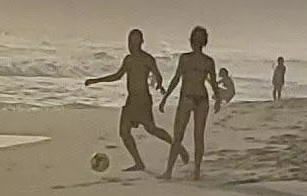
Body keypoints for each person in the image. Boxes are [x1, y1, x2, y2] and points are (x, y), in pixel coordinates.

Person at [93, 28, 166, 171]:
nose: (131, 46)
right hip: (131, 100)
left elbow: (158, 75)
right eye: (130, 42)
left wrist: (159, 84)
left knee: (151, 129)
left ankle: (176, 144)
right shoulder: (128, 60)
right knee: (124, 132)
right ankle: (139, 163)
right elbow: (117, 76)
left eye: (134, 43)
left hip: (143, 100)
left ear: (141, 42)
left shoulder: (147, 59)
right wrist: (96, 80)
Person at [164, 25, 225, 179]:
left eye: (200, 38)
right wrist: (165, 97)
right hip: (186, 97)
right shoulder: (185, 58)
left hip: (202, 100)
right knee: (178, 135)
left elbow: (212, 82)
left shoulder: (208, 61)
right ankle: (168, 171)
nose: (197, 41)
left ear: (204, 41)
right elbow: (176, 78)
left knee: (199, 136)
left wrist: (217, 98)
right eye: (195, 37)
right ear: (191, 40)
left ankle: (197, 171)